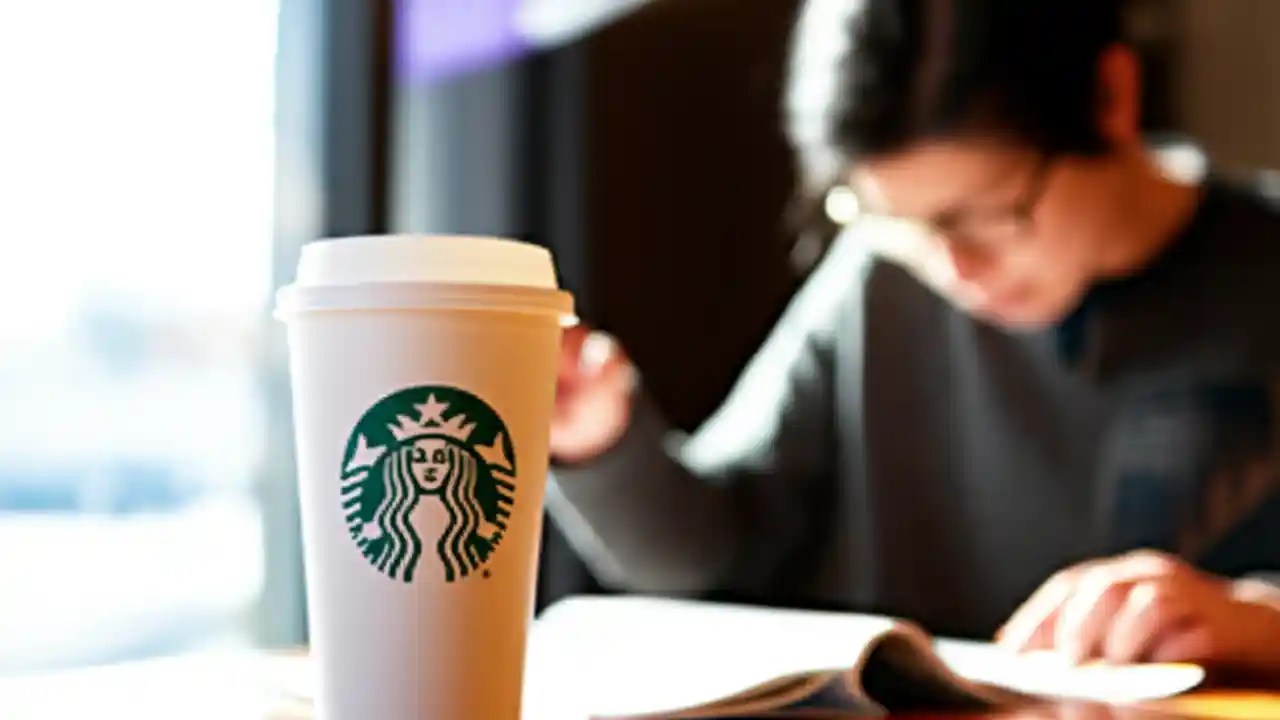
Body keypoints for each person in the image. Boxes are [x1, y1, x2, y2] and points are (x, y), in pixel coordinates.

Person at [545, 0, 1280, 675]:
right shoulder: (880, 270)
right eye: (904, 224)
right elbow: (717, 546)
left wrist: (1257, 620)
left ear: (1110, 97)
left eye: (986, 215)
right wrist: (601, 443)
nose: (954, 270)